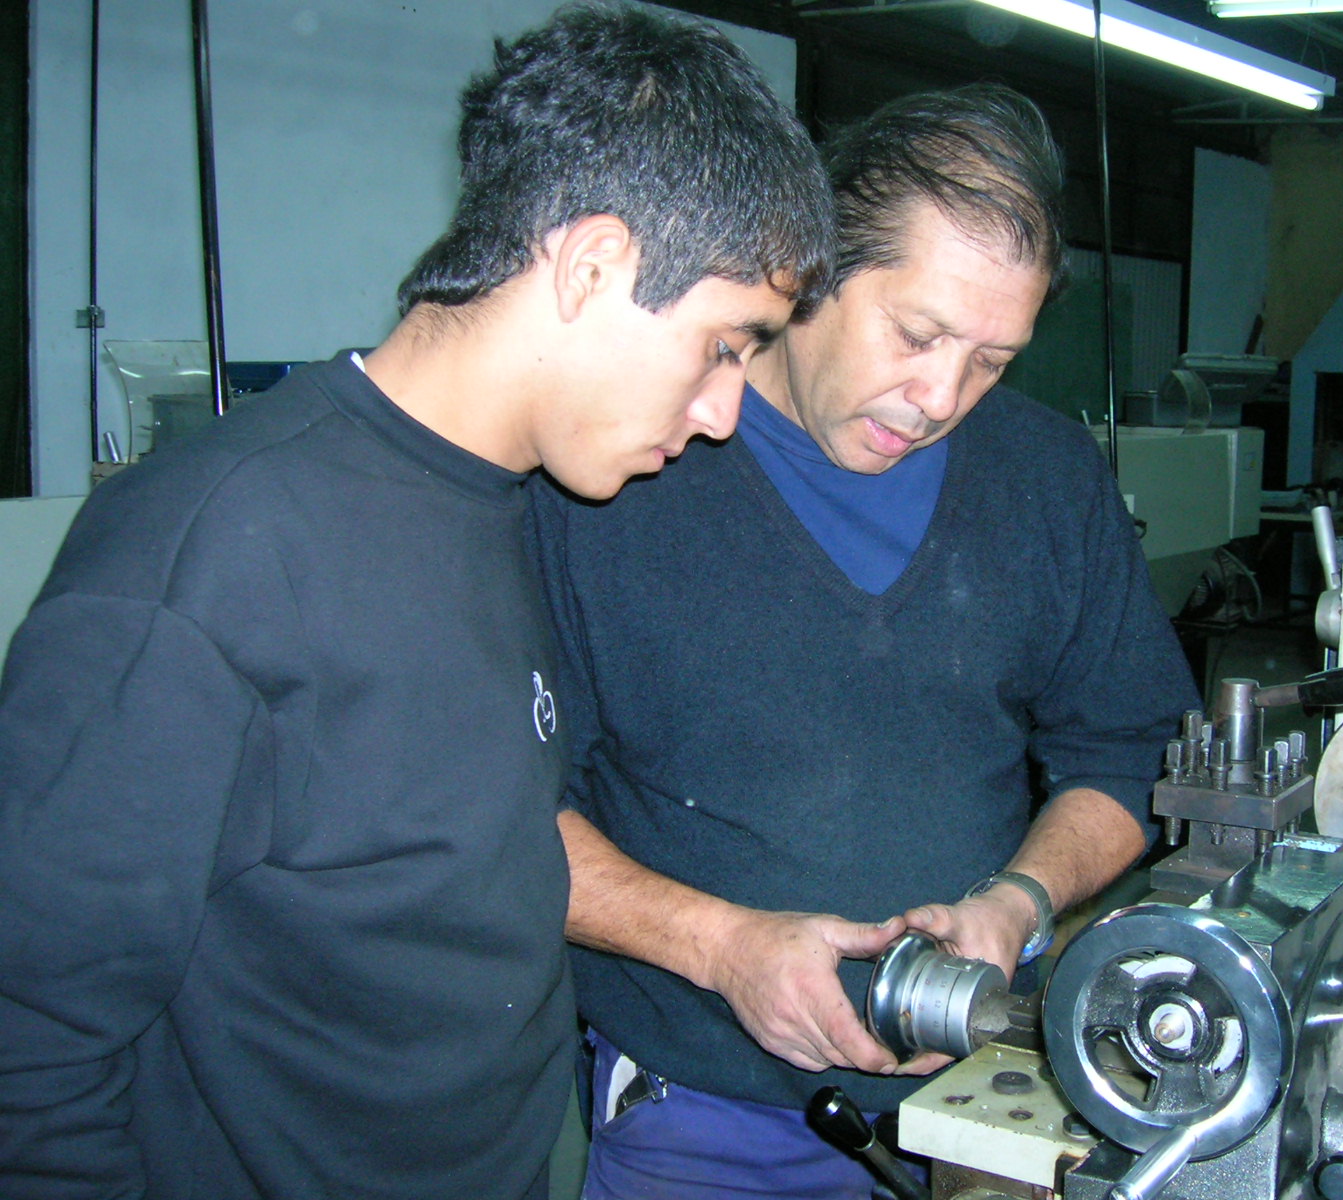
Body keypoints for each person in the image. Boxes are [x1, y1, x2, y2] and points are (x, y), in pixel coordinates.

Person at [0, 8, 832, 1199]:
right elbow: (29, 1050)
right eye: (722, 344)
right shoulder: (206, 554)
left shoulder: (515, 509)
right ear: (592, 265)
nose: (723, 411)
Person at [529, 83, 1201, 1198]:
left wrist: (1018, 901)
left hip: (991, 1107)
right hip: (707, 1119)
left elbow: (1123, 759)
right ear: (810, 272)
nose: (942, 395)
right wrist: (725, 950)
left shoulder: (1046, 478)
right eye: (918, 333)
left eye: (993, 359)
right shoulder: (616, 474)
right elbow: (498, 820)